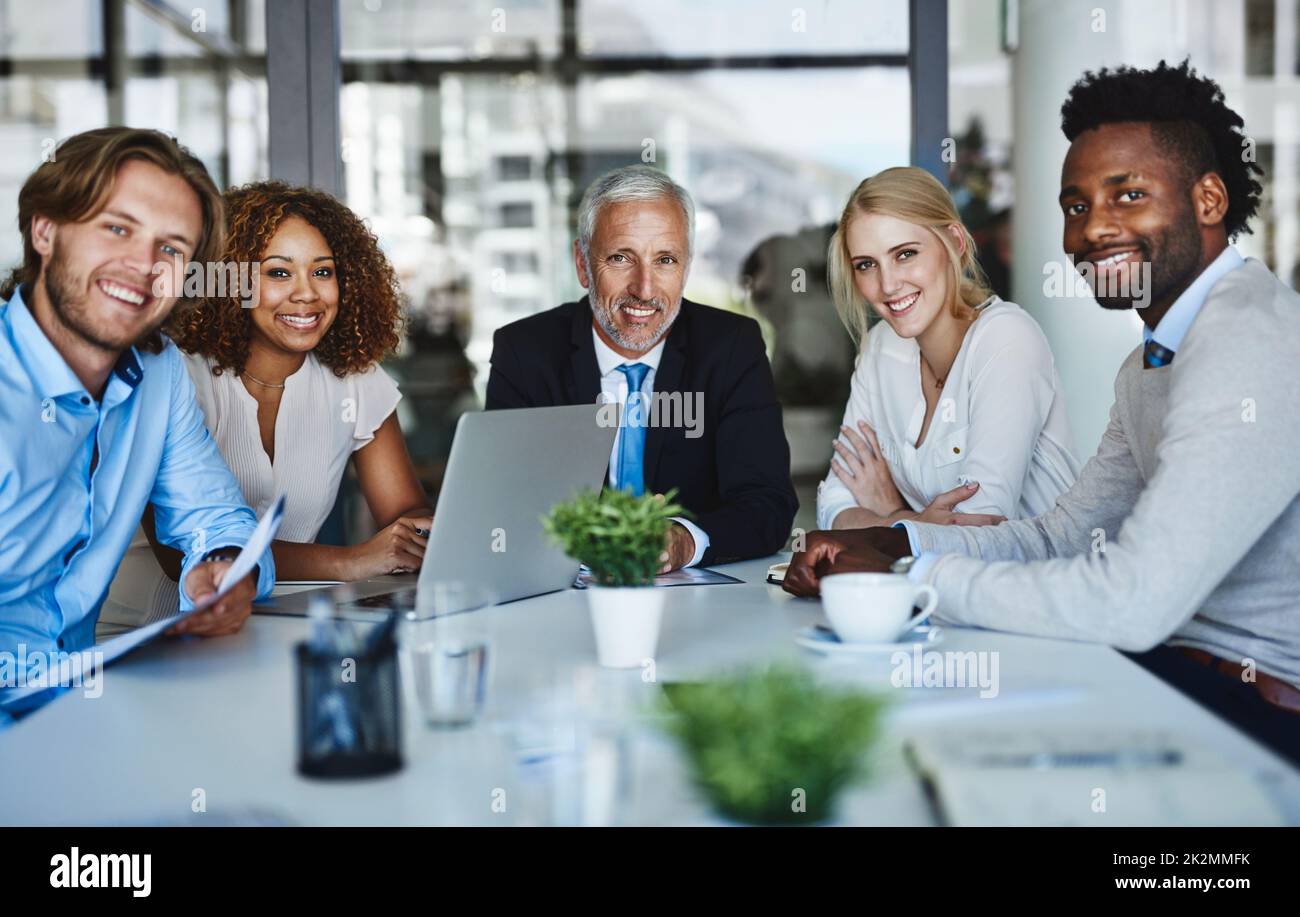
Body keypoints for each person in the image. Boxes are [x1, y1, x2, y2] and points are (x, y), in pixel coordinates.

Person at [784, 61, 1300, 765]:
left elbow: (1132, 598)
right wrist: (897, 544)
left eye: (1129, 195)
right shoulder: (1149, 365)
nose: (1093, 229)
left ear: (1209, 200)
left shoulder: (1249, 340)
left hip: (1256, 724)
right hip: (1167, 679)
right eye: (1077, 206)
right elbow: (1059, 536)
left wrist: (913, 577)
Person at [0, 128, 276, 716]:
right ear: (45, 230)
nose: (143, 265)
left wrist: (224, 569)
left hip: (71, 714)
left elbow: (211, 516)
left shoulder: (159, 373)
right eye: (118, 228)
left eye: (172, 248)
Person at [109, 182, 431, 620]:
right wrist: (352, 561)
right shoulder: (179, 375)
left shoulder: (353, 379)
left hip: (282, 618)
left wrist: (416, 535)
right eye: (278, 273)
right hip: (148, 629)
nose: (307, 294)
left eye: (323, 271)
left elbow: (403, 512)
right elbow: (180, 553)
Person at [485, 165, 797, 569]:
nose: (644, 289)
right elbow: (500, 505)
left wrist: (683, 540)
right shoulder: (525, 351)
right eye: (620, 258)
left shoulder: (732, 347)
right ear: (582, 264)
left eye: (665, 260)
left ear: (685, 267)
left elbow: (768, 504)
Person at [816, 166, 1079, 533]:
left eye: (905, 254)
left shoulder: (1007, 338)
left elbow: (977, 527)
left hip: (1037, 583)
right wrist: (912, 523)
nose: (888, 284)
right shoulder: (880, 348)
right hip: (932, 586)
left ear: (955, 242)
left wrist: (891, 512)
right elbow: (834, 504)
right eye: (866, 265)